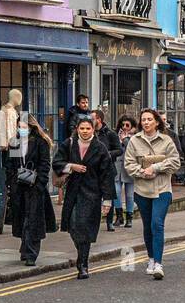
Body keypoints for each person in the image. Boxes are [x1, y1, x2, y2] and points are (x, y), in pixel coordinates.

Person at [52, 116, 115, 279]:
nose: (85, 131)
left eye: (88, 128)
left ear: (93, 130)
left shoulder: (100, 148)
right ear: (77, 129)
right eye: (82, 128)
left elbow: (107, 175)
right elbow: (56, 162)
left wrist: (107, 200)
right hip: (72, 192)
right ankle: (82, 255)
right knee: (73, 226)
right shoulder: (69, 143)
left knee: (83, 227)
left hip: (92, 194)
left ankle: (83, 264)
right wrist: (71, 166)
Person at [122, 108, 182, 279]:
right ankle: (150, 258)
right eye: (143, 120)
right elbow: (129, 164)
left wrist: (156, 167)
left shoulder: (167, 141)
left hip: (162, 190)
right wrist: (143, 172)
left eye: (150, 119)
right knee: (148, 226)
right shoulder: (134, 141)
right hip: (142, 190)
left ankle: (158, 263)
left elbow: (175, 162)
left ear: (157, 122)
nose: (146, 122)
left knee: (157, 224)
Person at [8, 112, 56, 266]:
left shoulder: (40, 142)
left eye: (24, 127)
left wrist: (40, 184)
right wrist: (12, 182)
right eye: (19, 127)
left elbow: (44, 165)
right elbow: (10, 165)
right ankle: (24, 249)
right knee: (22, 218)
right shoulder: (15, 142)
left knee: (33, 220)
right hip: (19, 186)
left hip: (35, 187)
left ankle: (31, 254)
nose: (21, 129)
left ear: (31, 126)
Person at [91, 110, 123, 231]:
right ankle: (95, 222)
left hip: (108, 170)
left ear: (98, 119)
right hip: (93, 170)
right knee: (94, 197)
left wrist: (107, 154)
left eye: (92, 118)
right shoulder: (89, 132)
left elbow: (119, 150)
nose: (90, 121)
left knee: (108, 195)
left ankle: (109, 222)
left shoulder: (110, 134)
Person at [113, 116, 137, 228]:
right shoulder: (115, 136)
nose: (125, 127)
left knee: (129, 195)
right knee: (116, 192)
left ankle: (129, 218)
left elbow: (133, 150)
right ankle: (119, 216)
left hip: (130, 168)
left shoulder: (136, 138)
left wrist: (125, 139)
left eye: (127, 125)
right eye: (123, 125)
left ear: (132, 126)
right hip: (117, 167)